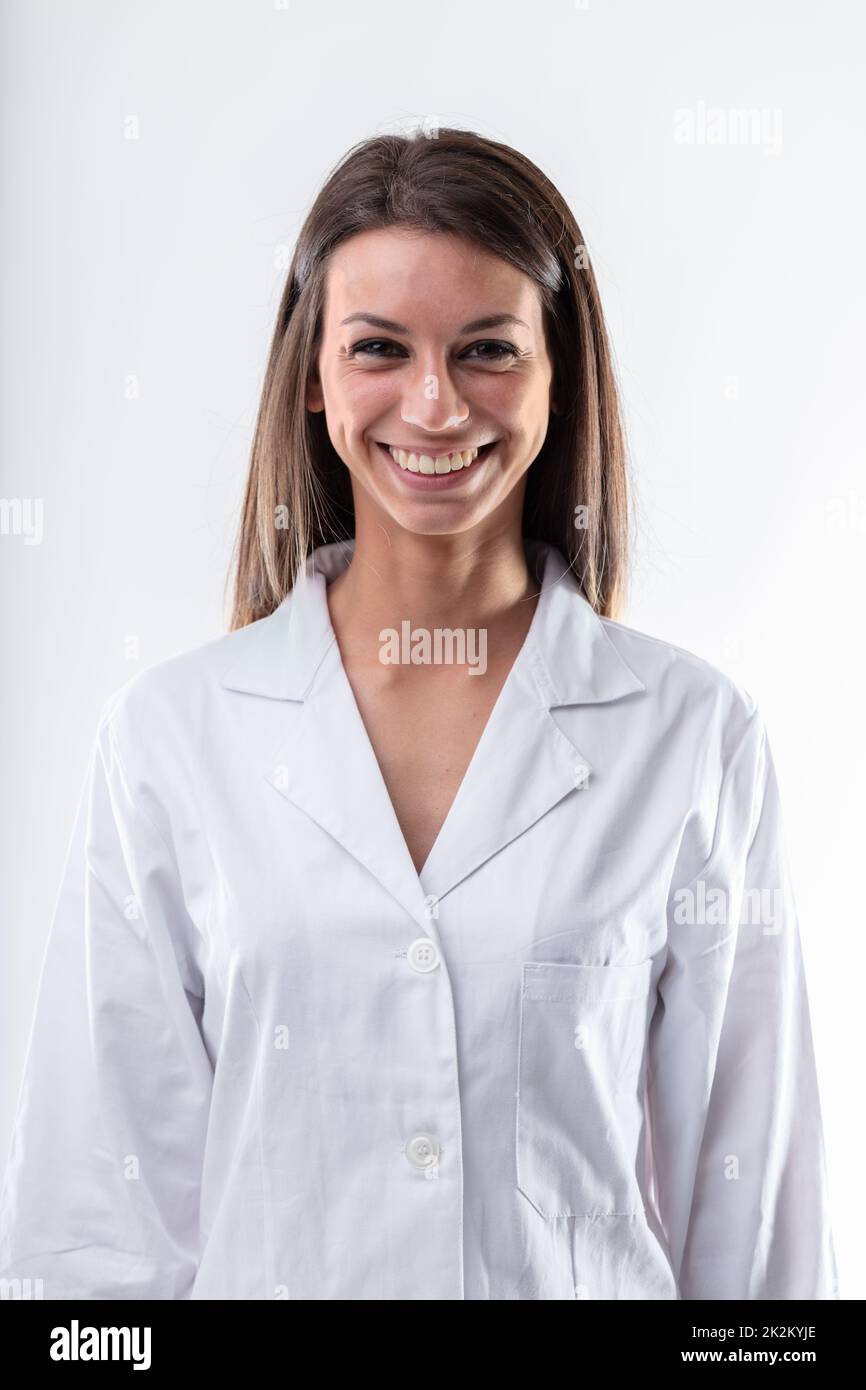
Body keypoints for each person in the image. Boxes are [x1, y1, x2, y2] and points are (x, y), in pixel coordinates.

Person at [0, 128, 839, 1300]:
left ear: (557, 373)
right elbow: (97, 1234)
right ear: (314, 376)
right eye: (379, 348)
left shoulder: (690, 738)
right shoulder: (173, 739)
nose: (434, 404)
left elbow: (754, 1241)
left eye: (487, 349)